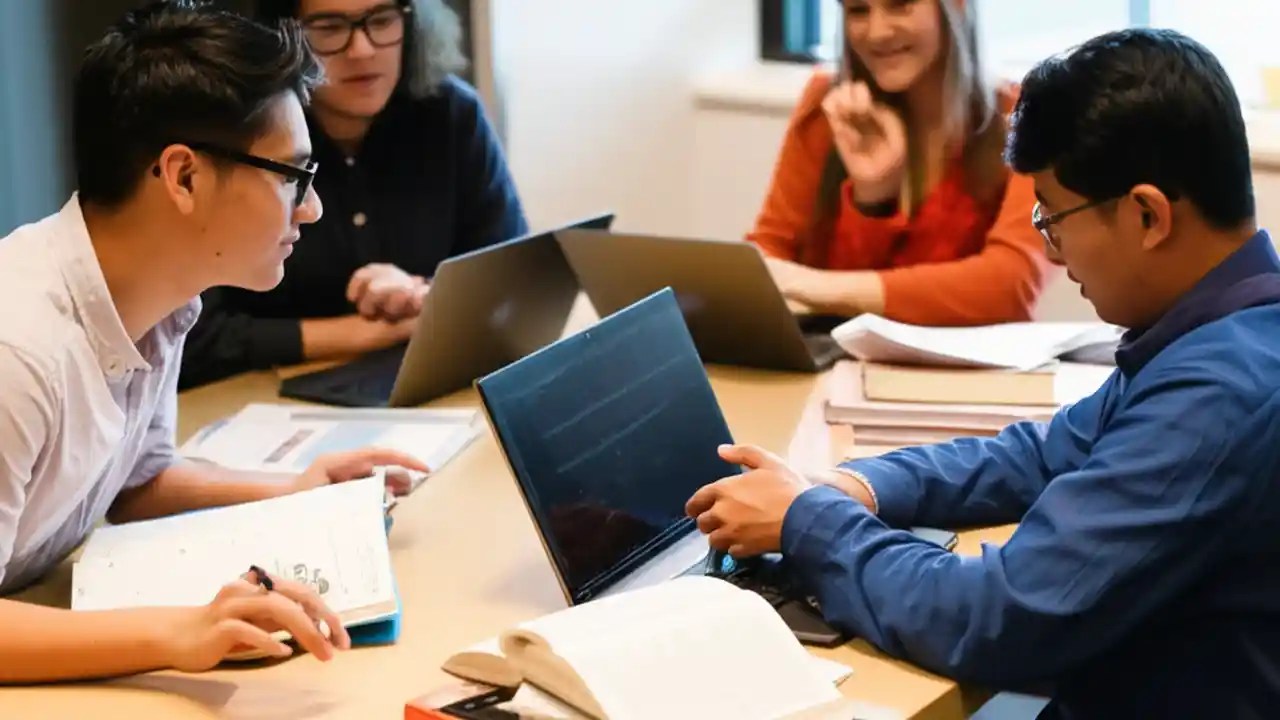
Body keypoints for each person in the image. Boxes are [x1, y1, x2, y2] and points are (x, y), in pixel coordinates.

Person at [689, 28, 1280, 718]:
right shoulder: (1222, 330)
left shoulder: (1218, 394)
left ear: (1147, 214)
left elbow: (996, 617)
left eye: (1054, 220)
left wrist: (805, 521)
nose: (1054, 254)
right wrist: (856, 486)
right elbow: (1042, 454)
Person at [0, 1, 429, 683]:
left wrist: (293, 489)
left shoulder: (163, 300)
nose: (311, 207)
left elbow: (136, 483)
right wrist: (179, 632)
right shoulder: (18, 351)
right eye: (293, 176)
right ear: (185, 177)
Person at [179, 0, 527, 389]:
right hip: (254, 401)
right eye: (329, 27)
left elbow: (515, 283)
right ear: (282, 36)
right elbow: (189, 336)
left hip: (431, 388)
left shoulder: (453, 114)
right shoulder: (237, 137)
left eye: (380, 20)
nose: (362, 49)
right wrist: (367, 333)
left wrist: (425, 295)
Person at [750, 0, 1050, 324]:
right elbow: (765, 259)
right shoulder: (826, 107)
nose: (877, 32)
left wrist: (809, 286)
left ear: (956, 7)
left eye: (899, 5)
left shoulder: (1027, 118)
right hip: (838, 367)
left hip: (974, 373)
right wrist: (872, 202)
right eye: (858, 11)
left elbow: (1009, 286)